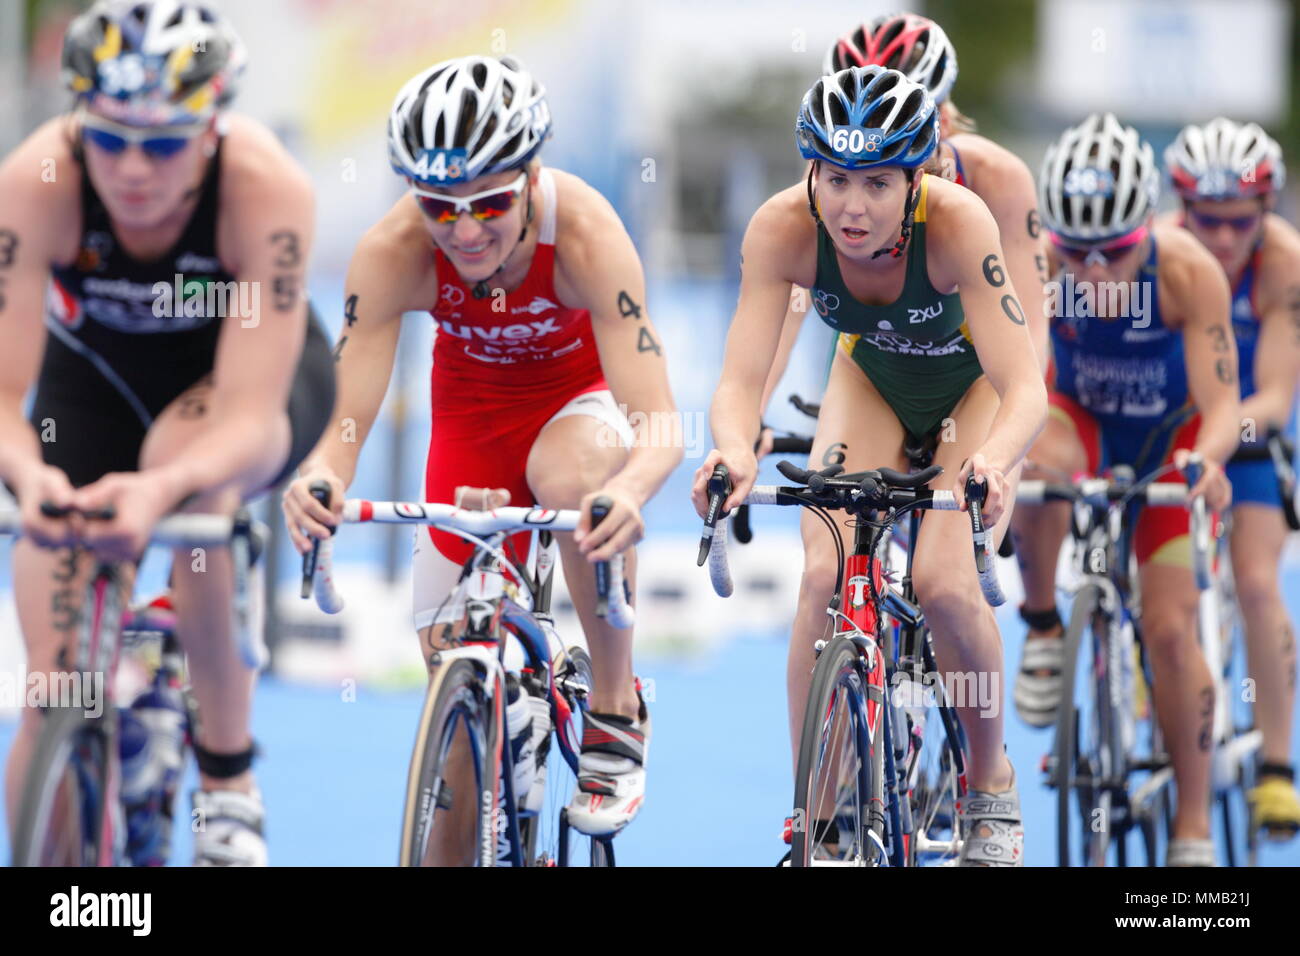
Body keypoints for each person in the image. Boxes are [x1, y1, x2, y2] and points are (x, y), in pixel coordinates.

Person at [280, 55, 681, 854]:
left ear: (531, 177)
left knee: (572, 482)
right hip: (472, 421)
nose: (464, 231)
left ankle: (612, 704)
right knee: (453, 721)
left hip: (580, 408)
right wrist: (321, 473)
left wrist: (631, 488)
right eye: (440, 207)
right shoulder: (392, 249)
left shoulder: (589, 233)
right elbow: (349, 416)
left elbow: (661, 421)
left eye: (490, 203)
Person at [0, 0, 335, 865]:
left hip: (238, 387)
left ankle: (226, 777)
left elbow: (247, 415)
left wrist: (155, 494)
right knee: (56, 682)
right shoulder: (36, 180)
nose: (134, 170)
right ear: (79, 125)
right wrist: (27, 479)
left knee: (191, 489)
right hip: (94, 389)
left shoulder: (265, 187)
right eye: (109, 140)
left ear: (213, 128)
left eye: (164, 142)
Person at [692, 65, 1047, 866]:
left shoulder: (960, 223)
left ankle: (988, 782)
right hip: (873, 381)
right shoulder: (782, 227)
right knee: (821, 578)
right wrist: (731, 450)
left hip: (970, 394)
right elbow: (740, 384)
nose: (853, 206)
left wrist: (992, 462)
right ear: (811, 171)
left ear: (916, 178)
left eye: (879, 183)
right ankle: (816, 818)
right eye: (837, 178)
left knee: (944, 584)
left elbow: (1026, 387)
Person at [1011, 112, 1239, 866]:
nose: (1096, 273)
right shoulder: (1037, 269)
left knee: (1171, 632)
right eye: (1076, 252)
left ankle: (1194, 823)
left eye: (1115, 252)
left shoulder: (1187, 271)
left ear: (1147, 229)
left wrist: (1206, 463)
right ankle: (1044, 625)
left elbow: (1223, 404)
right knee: (1033, 464)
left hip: (1165, 443)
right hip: (1078, 422)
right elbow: (1018, 384)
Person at [756, 12, 1048, 450]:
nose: (870, 147)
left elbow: (1030, 320)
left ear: (942, 120)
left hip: (975, 369)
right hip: (874, 358)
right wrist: (753, 414)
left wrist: (1019, 430)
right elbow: (787, 310)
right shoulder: (827, 184)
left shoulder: (994, 177)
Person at [1163, 118, 1300, 838]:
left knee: (1253, 580)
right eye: (1204, 222)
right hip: (1177, 430)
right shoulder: (1157, 251)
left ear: (1267, 212)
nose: (1220, 240)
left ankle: (1277, 767)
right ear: (1180, 209)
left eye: (1238, 223)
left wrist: (1217, 440)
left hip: (1249, 440)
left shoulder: (1283, 265)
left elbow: (1276, 401)